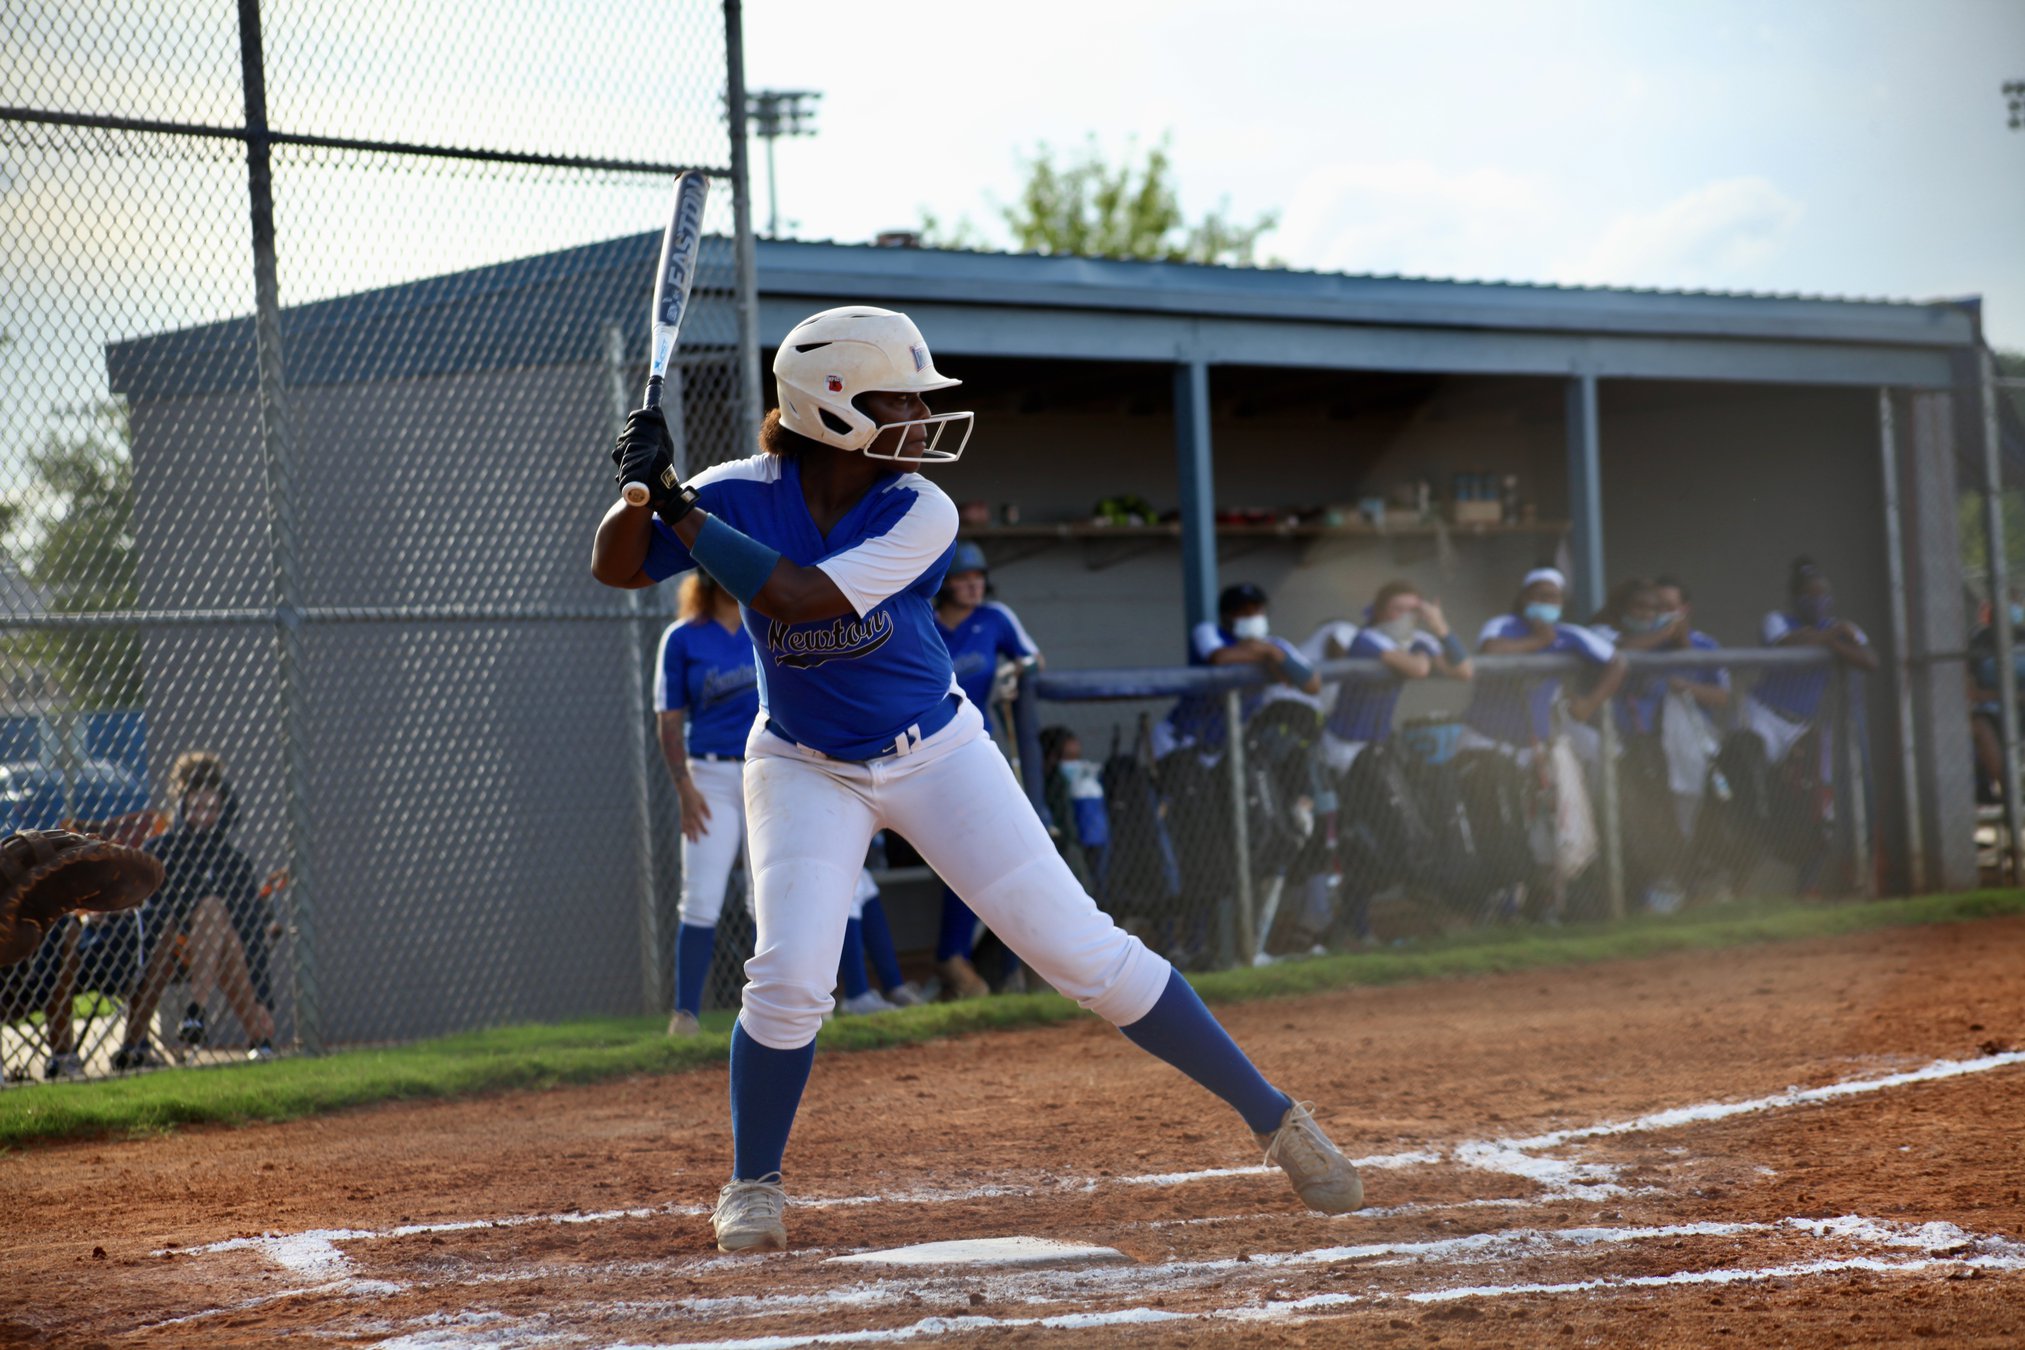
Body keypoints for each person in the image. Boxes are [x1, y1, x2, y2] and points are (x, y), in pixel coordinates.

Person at [592, 304, 1362, 1253]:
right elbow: (616, 570)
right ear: (831, 407)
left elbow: (796, 599)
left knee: (1085, 954)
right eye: (900, 398)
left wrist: (676, 506)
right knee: (788, 977)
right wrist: (633, 490)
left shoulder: (921, 507)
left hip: (937, 753)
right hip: (802, 762)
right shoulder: (733, 493)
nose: (920, 414)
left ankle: (1275, 1117)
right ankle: (752, 1184)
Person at [112, 752, 281, 1069]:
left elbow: (251, 930)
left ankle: (195, 1016)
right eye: (196, 808)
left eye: (213, 809)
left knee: (223, 927)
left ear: (224, 810)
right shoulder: (160, 851)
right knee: (210, 915)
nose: (204, 816)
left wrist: (263, 1001)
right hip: (165, 948)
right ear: (181, 807)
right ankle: (253, 1040)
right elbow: (149, 912)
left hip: (213, 953)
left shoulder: (235, 862)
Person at [930, 540, 1042, 999]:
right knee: (967, 858)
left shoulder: (996, 617)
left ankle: (968, 961)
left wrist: (1012, 675)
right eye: (962, 578)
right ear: (943, 583)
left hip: (981, 750)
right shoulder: (924, 621)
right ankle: (954, 959)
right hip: (929, 757)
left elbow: (1032, 658)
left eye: (978, 577)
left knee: (998, 854)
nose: (973, 585)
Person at [657, 570, 762, 1036]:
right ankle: (685, 1016)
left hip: (767, 770)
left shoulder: (765, 622)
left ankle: (791, 1006)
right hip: (710, 776)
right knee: (701, 895)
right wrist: (684, 788)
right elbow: (669, 720)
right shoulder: (682, 638)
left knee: (770, 897)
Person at [1461, 566, 1625, 756]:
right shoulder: (1504, 624)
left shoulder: (1569, 633)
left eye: (1552, 597)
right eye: (1539, 596)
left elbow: (1618, 662)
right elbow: (1490, 650)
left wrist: (1589, 704)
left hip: (1534, 747)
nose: (1546, 602)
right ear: (1524, 598)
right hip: (1485, 738)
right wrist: (1539, 640)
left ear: (1561, 602)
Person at [1153, 583, 1324, 762]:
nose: (1253, 616)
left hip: (1223, 745)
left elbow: (1312, 684)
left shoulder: (1275, 645)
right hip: (1179, 739)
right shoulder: (1209, 632)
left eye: (1257, 610)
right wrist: (1266, 655)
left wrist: (1273, 653)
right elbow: (1219, 658)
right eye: (1244, 612)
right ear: (1226, 615)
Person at [1322, 581, 1471, 776]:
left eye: (1412, 610)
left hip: (1376, 744)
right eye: (1398, 609)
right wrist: (1421, 657)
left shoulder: (1417, 639)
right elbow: (1418, 669)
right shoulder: (1367, 637)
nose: (1405, 617)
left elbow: (1464, 671)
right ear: (1379, 612)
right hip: (1341, 743)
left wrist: (1440, 626)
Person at [1747, 556, 1878, 766]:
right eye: (1810, 596)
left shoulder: (1835, 626)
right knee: (1755, 773)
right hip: (1765, 715)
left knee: (1803, 788)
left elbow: (1870, 661)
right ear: (1796, 599)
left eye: (1822, 596)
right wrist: (1832, 637)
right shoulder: (1777, 620)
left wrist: (1832, 643)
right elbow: (1788, 645)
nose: (1817, 602)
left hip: (1802, 725)